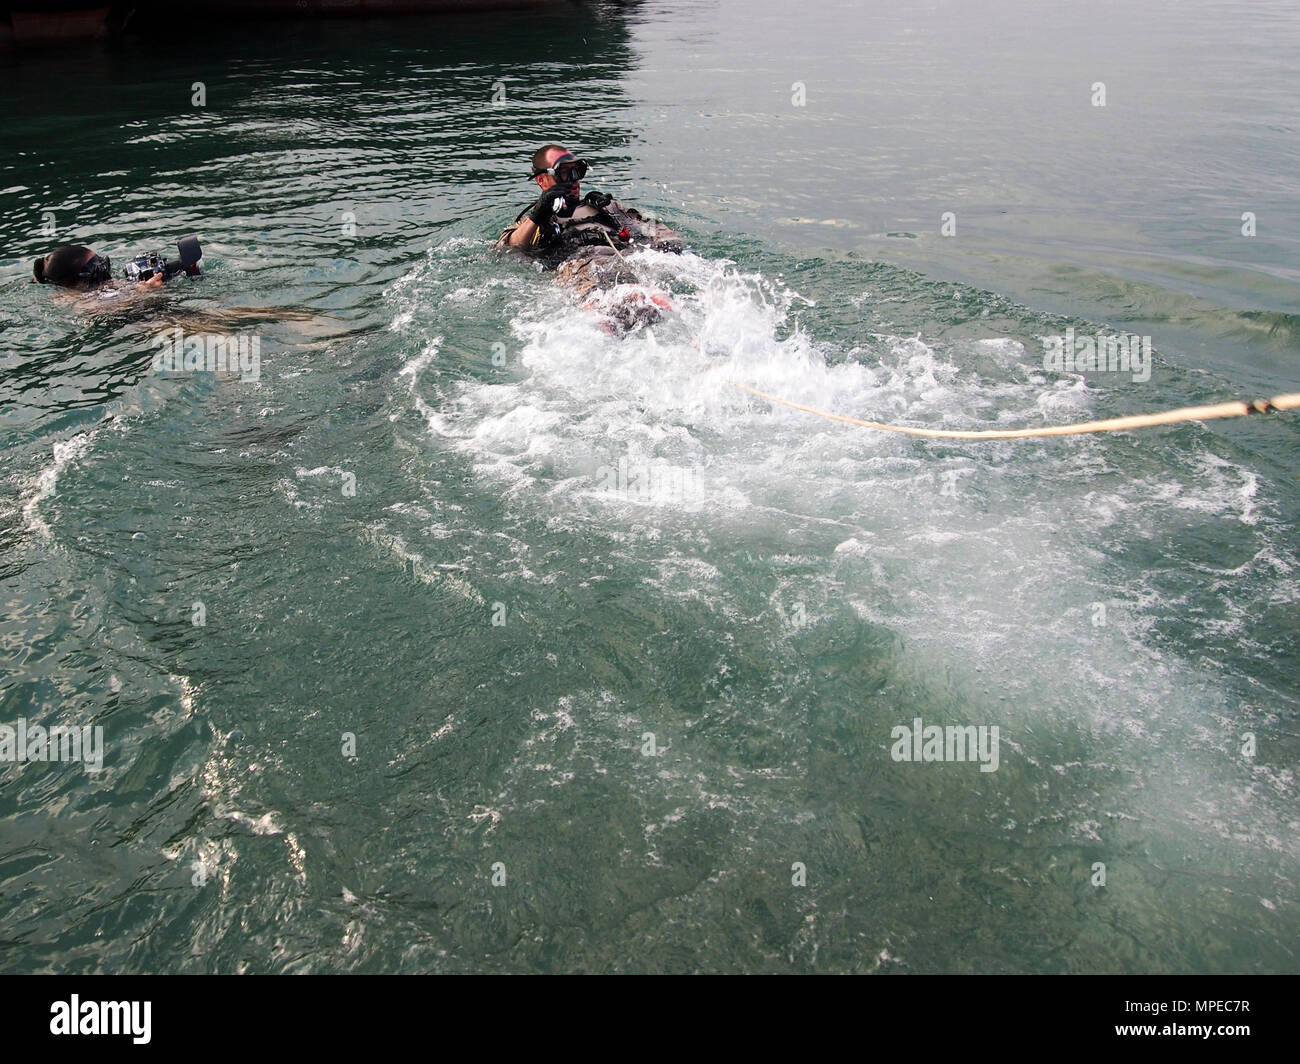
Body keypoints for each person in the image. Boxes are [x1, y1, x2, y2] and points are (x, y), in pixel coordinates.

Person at [497, 144, 684, 332]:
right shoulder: (532, 224)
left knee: (654, 299)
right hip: (579, 273)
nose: (574, 182)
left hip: (624, 262)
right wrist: (540, 212)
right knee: (602, 316)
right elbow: (508, 246)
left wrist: (664, 250)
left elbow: (658, 232)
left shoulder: (606, 208)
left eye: (577, 172)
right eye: (564, 174)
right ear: (542, 180)